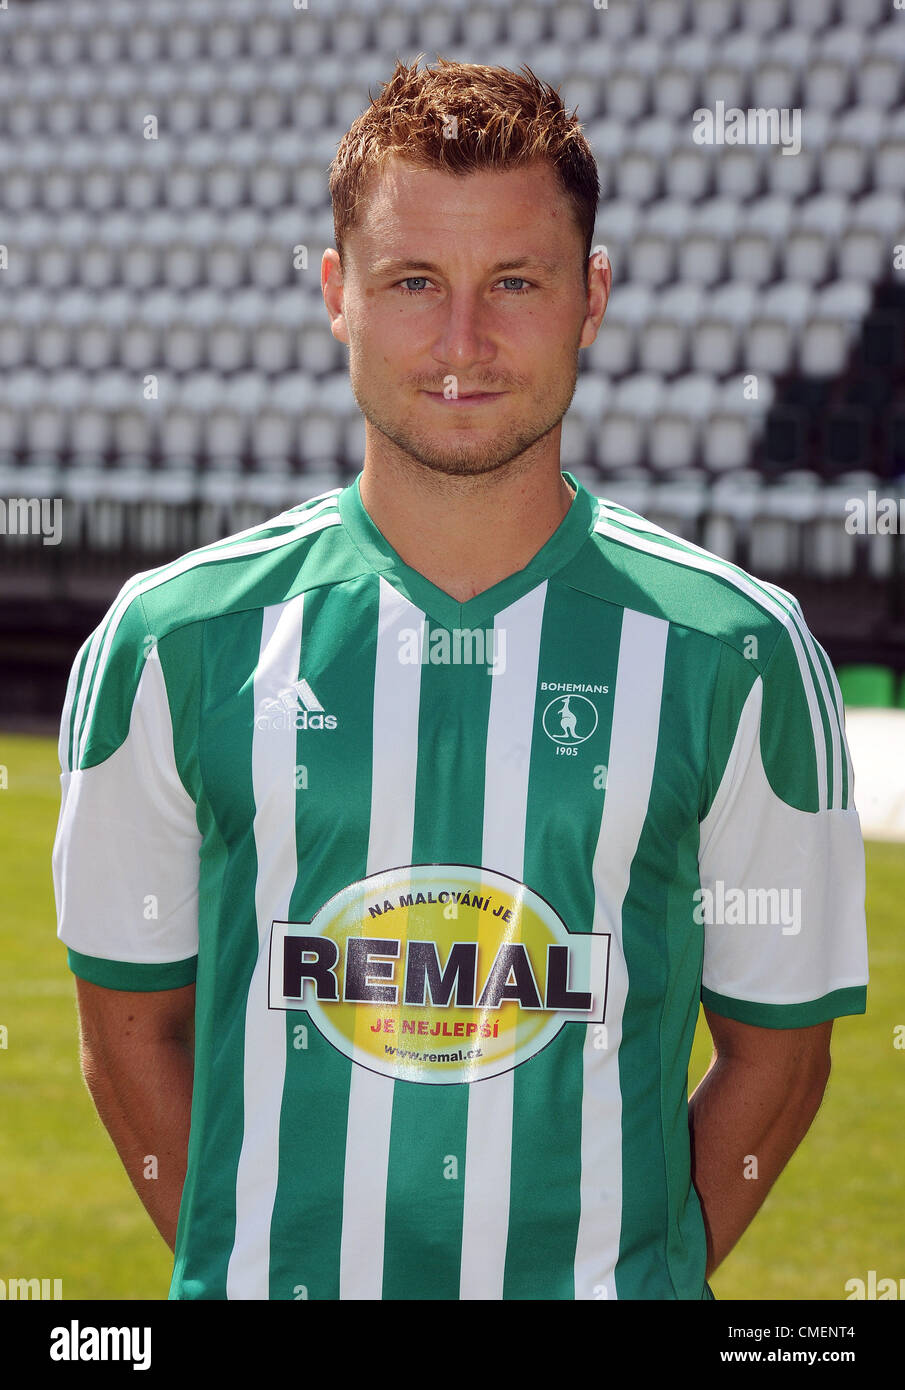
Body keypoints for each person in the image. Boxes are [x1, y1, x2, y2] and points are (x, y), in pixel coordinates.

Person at [53, 57, 868, 1301]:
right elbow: (127, 1040)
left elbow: (779, 1059)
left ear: (590, 298)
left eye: (516, 283)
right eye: (413, 282)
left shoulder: (737, 652)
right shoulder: (169, 640)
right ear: (338, 294)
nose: (462, 342)